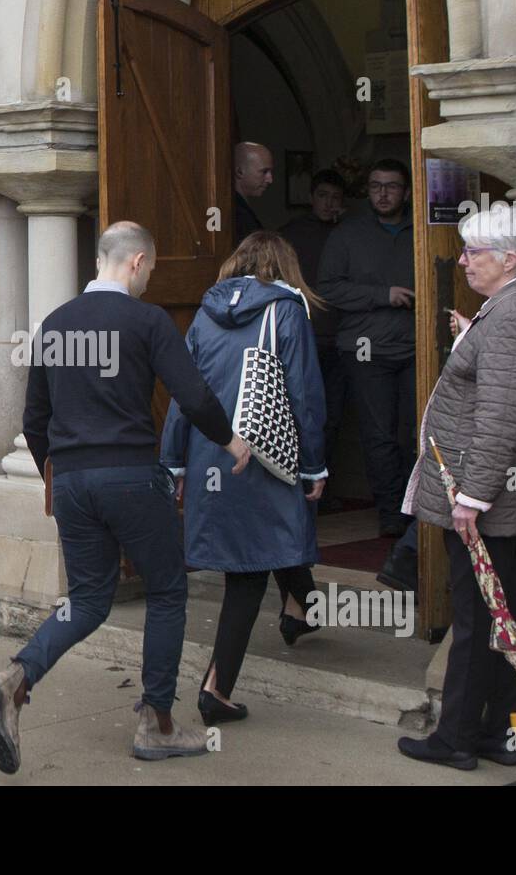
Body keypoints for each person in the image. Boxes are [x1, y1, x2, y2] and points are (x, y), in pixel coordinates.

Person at [0, 221, 251, 774]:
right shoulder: (147, 320)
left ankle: (15, 678)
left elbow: (34, 421)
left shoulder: (54, 324)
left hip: (73, 481)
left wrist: (62, 470)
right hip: (129, 475)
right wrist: (229, 439)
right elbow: (192, 394)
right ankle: (157, 723)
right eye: (149, 270)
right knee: (169, 589)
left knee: (88, 600)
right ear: (138, 263)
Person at [397, 203, 516, 770]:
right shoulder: (512, 310)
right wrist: (474, 337)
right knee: (504, 617)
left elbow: (502, 414)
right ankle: (500, 733)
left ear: (509, 259)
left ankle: (457, 739)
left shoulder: (513, 317)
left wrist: (472, 496)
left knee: (478, 620)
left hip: (489, 502)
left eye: (473, 252)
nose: (462, 260)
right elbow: (502, 385)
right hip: (502, 499)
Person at [161, 233, 328, 725]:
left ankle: (302, 609)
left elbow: (183, 394)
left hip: (211, 452)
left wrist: (174, 462)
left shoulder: (204, 316)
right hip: (266, 449)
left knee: (269, 541)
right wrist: (314, 463)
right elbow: (304, 392)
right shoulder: (287, 310)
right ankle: (216, 688)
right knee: (251, 568)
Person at [317, 157, 416, 538]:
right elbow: (327, 288)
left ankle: (416, 512)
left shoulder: (420, 230)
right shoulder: (347, 233)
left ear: (406, 192)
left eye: (391, 186)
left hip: (414, 348)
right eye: (376, 186)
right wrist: (382, 295)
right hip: (365, 349)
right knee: (379, 436)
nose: (383, 193)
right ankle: (391, 512)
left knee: (414, 435)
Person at [282, 169, 348, 515]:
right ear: (311, 197)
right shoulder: (292, 235)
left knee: (331, 416)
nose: (329, 204)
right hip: (303, 336)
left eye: (336, 198)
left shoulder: (351, 233)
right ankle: (296, 486)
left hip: (340, 337)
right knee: (296, 411)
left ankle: (325, 485)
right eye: (323, 196)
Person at [233, 142, 273, 245]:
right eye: (264, 172)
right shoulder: (236, 214)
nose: (270, 179)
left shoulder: (241, 210)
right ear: (239, 172)